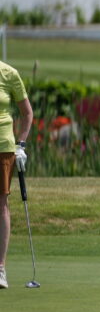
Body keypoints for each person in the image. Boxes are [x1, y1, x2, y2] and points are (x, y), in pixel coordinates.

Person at [0, 60, 32, 290]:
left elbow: (27, 113)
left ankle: (0, 268)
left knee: (1, 203)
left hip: (2, 147)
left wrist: (21, 144)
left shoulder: (9, 73)